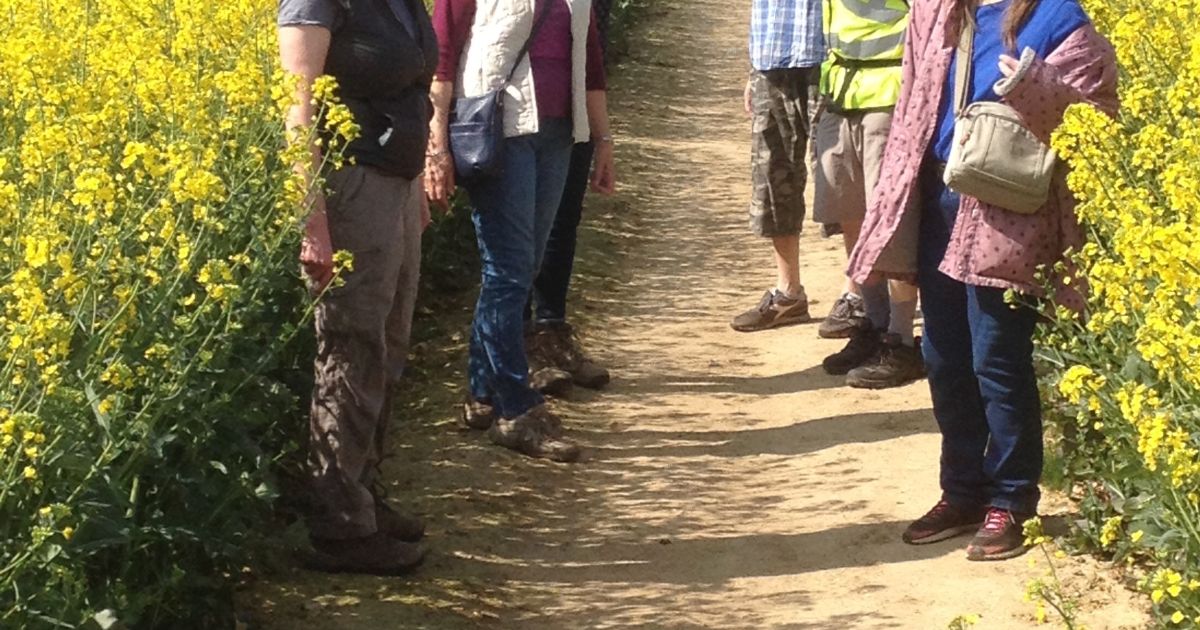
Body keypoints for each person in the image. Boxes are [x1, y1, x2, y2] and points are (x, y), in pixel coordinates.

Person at [848, 0, 1117, 560]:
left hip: (1009, 209)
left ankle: (1013, 500)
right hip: (940, 200)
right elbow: (913, 103)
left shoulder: (1058, 17)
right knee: (944, 356)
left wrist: (1034, 84)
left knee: (996, 358)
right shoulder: (941, 10)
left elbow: (1097, 120)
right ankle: (963, 491)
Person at [278, 0, 438, 575]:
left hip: (396, 183)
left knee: (388, 342)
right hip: (350, 185)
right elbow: (297, 108)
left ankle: (362, 490)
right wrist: (312, 219)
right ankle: (339, 522)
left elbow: (411, 88)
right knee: (352, 346)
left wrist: (415, 186)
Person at [427, 0, 616, 463]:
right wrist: (436, 147)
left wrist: (604, 141)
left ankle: (481, 393)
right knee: (508, 273)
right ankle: (516, 408)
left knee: (522, 269)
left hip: (558, 135)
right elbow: (442, 56)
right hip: (500, 133)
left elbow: (590, 63)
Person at [813, 0, 925, 390]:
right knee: (852, 216)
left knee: (893, 225)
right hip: (841, 91)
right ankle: (876, 326)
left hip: (890, 95)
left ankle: (901, 341)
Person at [524, 0, 614, 393]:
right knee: (518, 230)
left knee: (562, 221)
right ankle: (519, 345)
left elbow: (593, 51)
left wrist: (602, 133)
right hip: (510, 110)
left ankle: (551, 332)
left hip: (572, 100)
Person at [730, 0, 825, 333]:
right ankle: (788, 293)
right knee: (772, 176)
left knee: (841, 179)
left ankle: (858, 296)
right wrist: (754, 70)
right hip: (771, 57)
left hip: (832, 59)